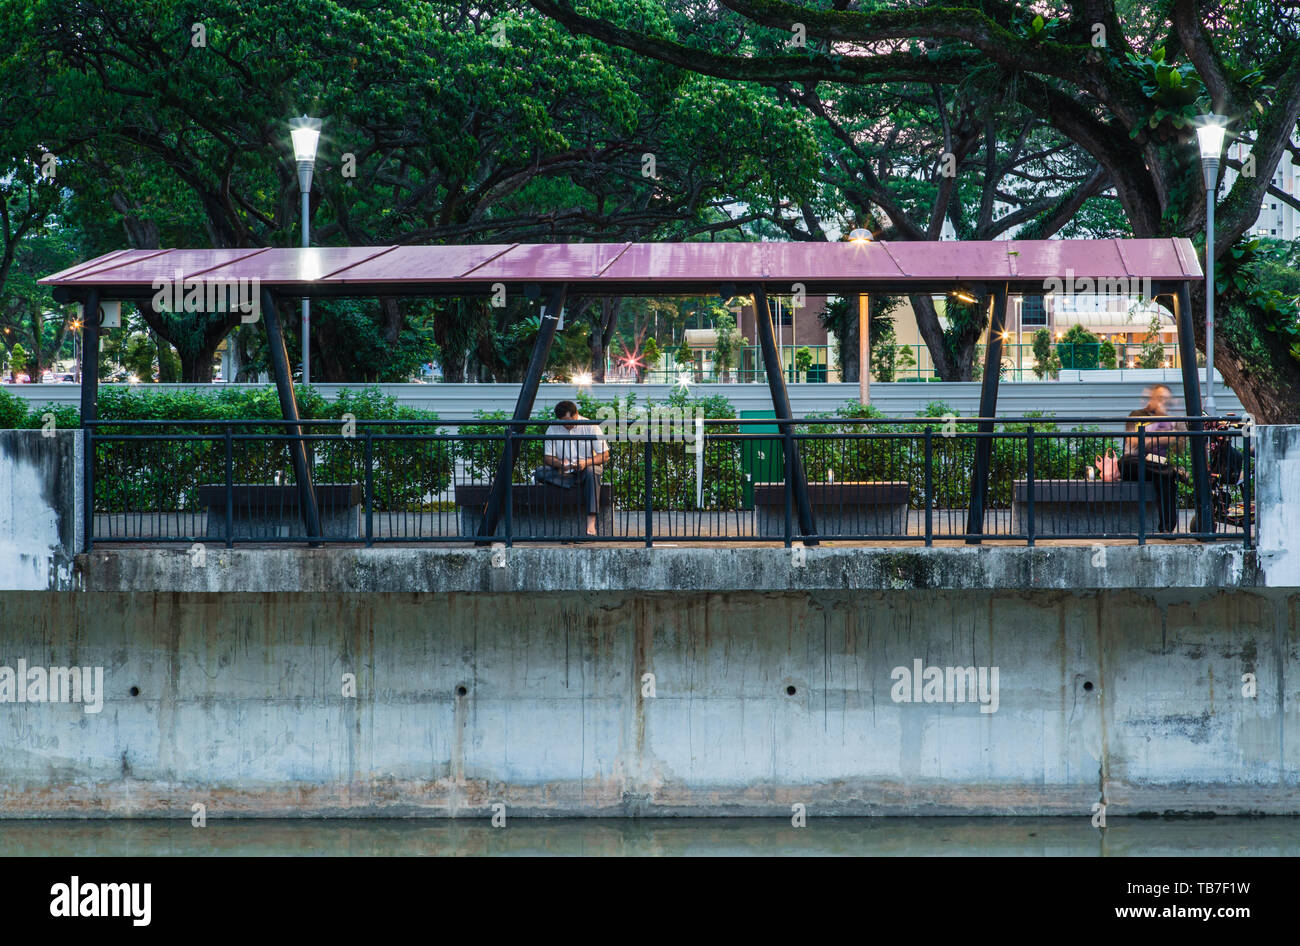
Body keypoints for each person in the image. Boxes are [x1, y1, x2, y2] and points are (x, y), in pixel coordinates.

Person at [1119, 384, 1183, 533]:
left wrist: (1149, 439)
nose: (1164, 402)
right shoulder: (1136, 415)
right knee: (1124, 462)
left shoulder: (1170, 420)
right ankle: (1171, 471)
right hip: (1136, 463)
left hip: (1157, 467)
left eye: (1167, 399)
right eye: (1161, 398)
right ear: (1152, 398)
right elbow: (1133, 443)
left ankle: (1166, 529)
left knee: (1165, 478)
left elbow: (1178, 445)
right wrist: (1164, 437)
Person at [541, 401, 610, 536]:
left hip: (586, 470)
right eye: (563, 422)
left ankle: (591, 522)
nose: (567, 425)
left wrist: (586, 462)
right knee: (540, 472)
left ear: (576, 414)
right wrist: (561, 464)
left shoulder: (590, 426)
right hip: (565, 472)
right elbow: (547, 458)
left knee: (592, 471)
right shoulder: (553, 428)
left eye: (569, 420)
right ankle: (575, 483)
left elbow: (605, 455)